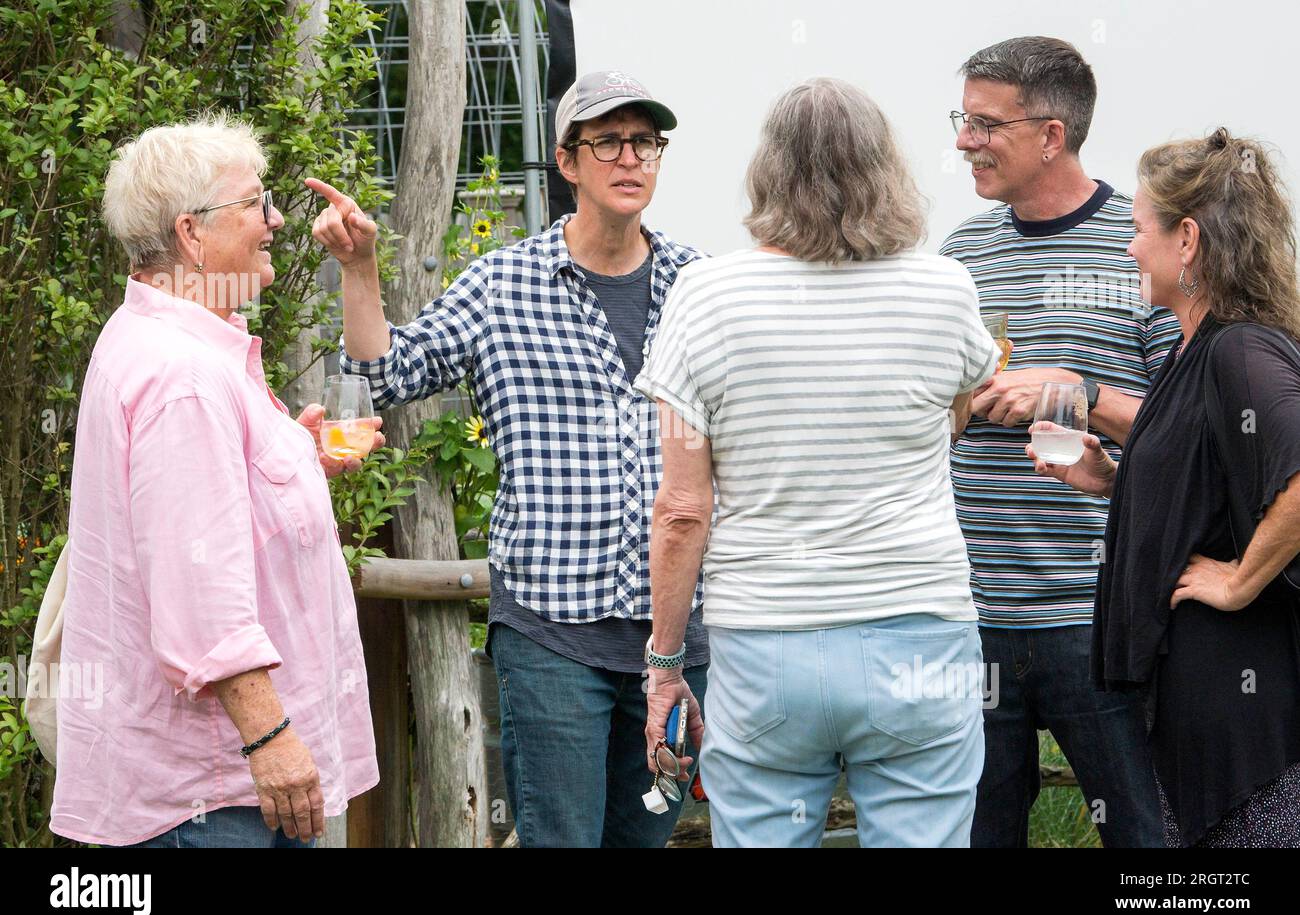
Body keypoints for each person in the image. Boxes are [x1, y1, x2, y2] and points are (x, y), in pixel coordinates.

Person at [311, 70, 708, 848]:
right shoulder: (503, 282)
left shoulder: (697, 283)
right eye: (608, 143)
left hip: (676, 632)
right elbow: (388, 370)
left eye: (645, 143)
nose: (630, 160)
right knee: (560, 837)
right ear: (567, 162)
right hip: (552, 633)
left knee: (644, 838)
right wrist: (360, 272)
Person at [636, 77, 999, 848]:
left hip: (766, 645)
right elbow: (953, 420)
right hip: (920, 631)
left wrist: (664, 665)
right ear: (886, 168)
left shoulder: (702, 297)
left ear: (768, 170)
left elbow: (682, 509)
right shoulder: (944, 288)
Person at [53, 115, 381, 847]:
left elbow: (192, 512)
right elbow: (201, 602)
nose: (275, 222)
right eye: (256, 205)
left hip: (200, 796)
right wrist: (272, 741)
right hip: (214, 798)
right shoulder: (186, 376)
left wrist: (289, 459)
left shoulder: (157, 338)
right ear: (192, 234)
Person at [942, 36, 1179, 847]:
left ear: (1051, 133)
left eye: (984, 124)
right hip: (968, 616)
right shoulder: (960, 255)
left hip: (1101, 611)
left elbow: (1187, 430)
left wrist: (1074, 392)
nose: (964, 141)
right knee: (980, 835)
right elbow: (932, 421)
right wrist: (957, 402)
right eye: (962, 120)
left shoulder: (1142, 248)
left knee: (1146, 841)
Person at [1032, 129, 1300, 847]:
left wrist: (1240, 580)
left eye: (1137, 230)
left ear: (1187, 240)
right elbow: (1206, 495)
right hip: (1195, 707)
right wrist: (1110, 480)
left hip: (1244, 726)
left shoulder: (1240, 347)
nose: (1127, 249)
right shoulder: (1193, 349)